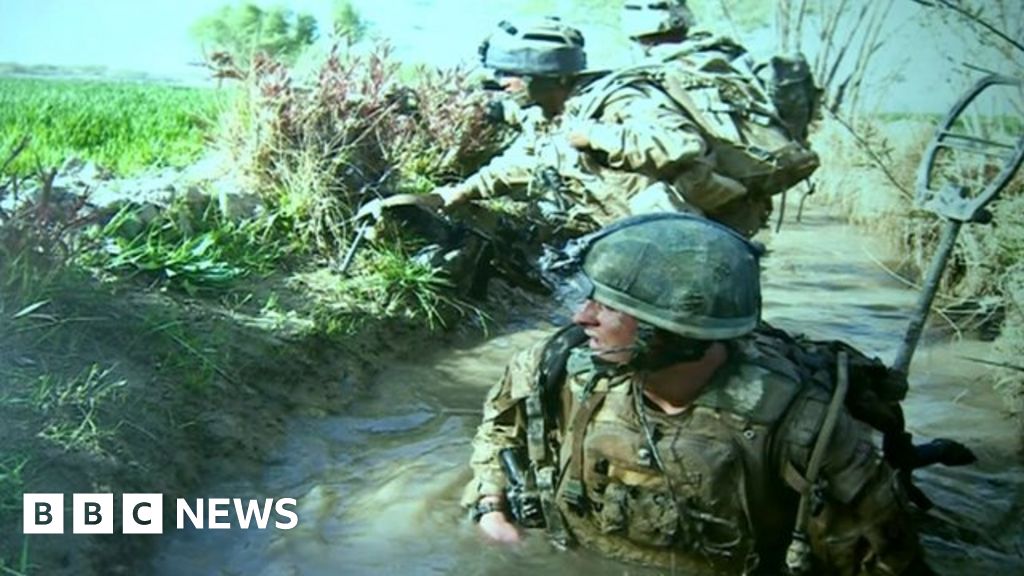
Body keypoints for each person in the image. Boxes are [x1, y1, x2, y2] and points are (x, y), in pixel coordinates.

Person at [461, 213, 935, 575]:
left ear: (675, 331)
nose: (581, 318)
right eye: (590, 297)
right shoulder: (558, 365)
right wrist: (491, 510)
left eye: (608, 306)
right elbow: (500, 432)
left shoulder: (802, 427)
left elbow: (882, 564)